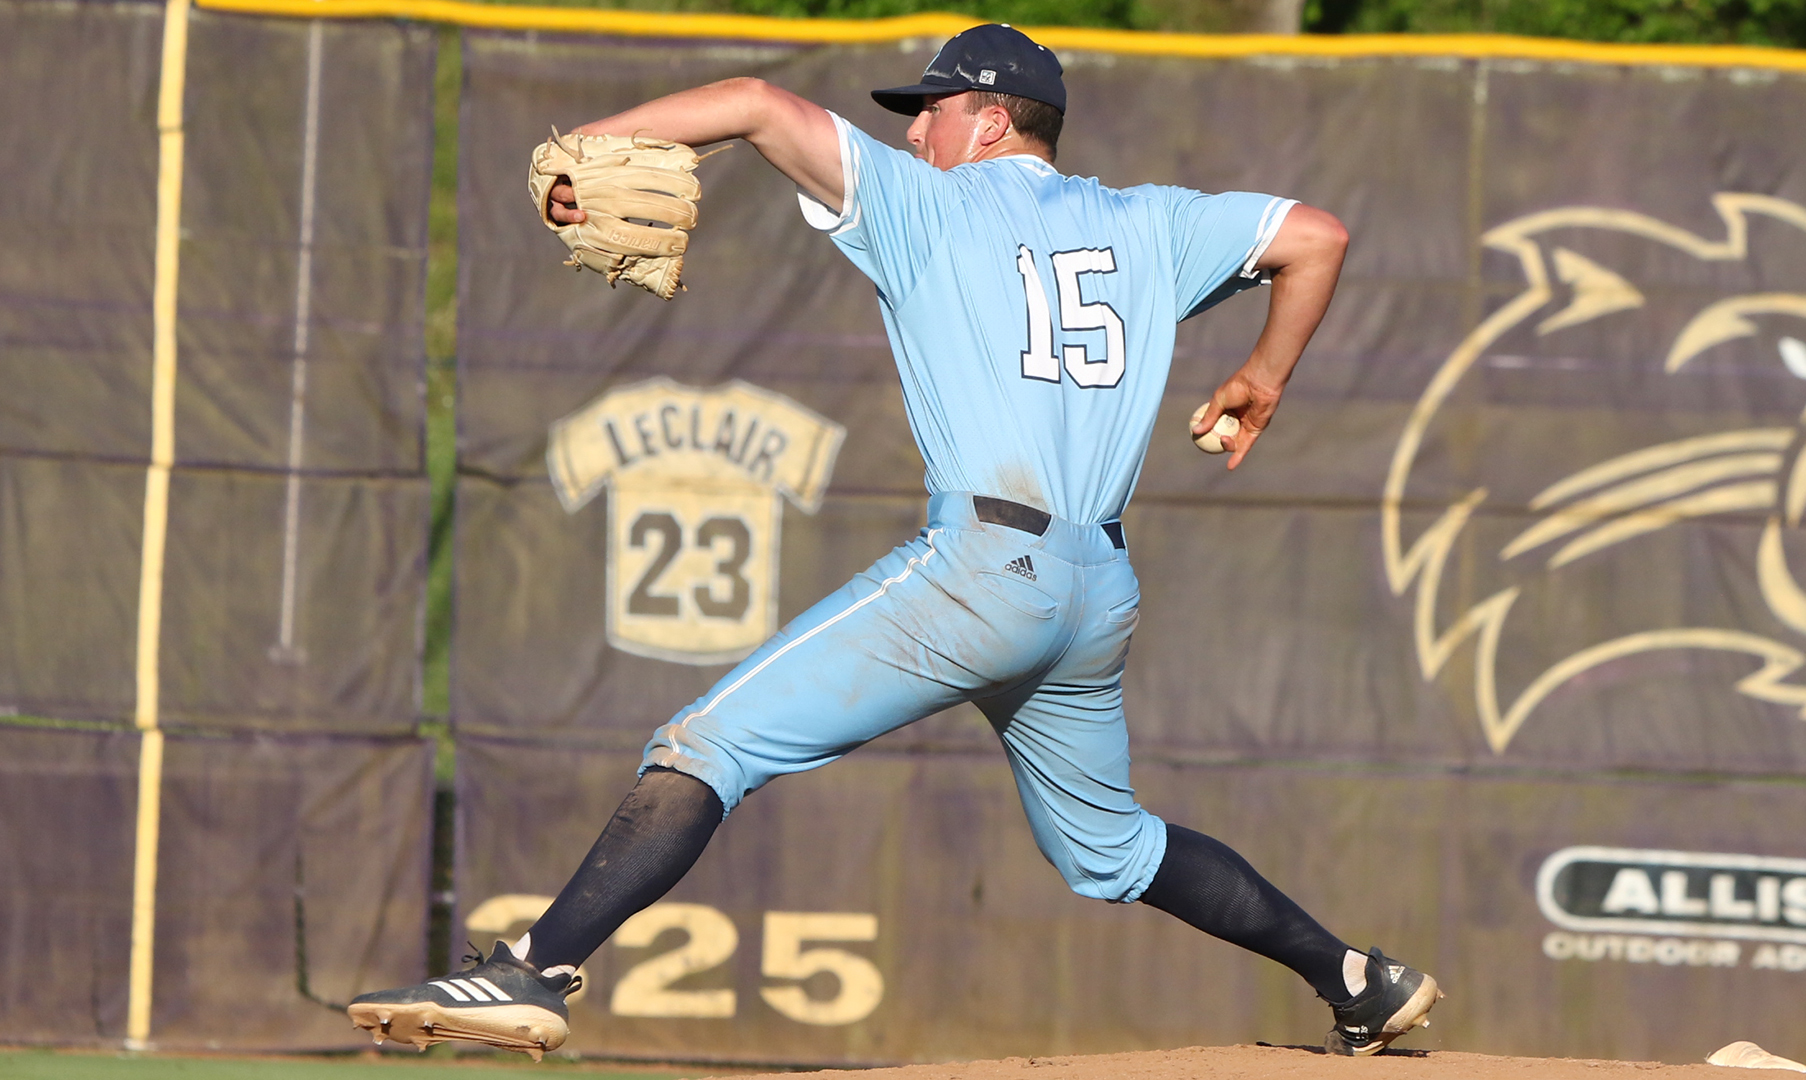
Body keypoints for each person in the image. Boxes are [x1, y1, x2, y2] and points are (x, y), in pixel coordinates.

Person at [347, 23, 1439, 1060]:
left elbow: (752, 105)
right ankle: (1356, 981)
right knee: (1111, 850)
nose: (914, 131)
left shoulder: (930, 205)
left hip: (979, 573)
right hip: (1096, 591)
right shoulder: (1149, 222)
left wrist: (590, 152)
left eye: (930, 109)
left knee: (707, 745)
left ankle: (537, 970)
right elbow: (1316, 237)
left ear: (993, 121)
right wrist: (1264, 376)